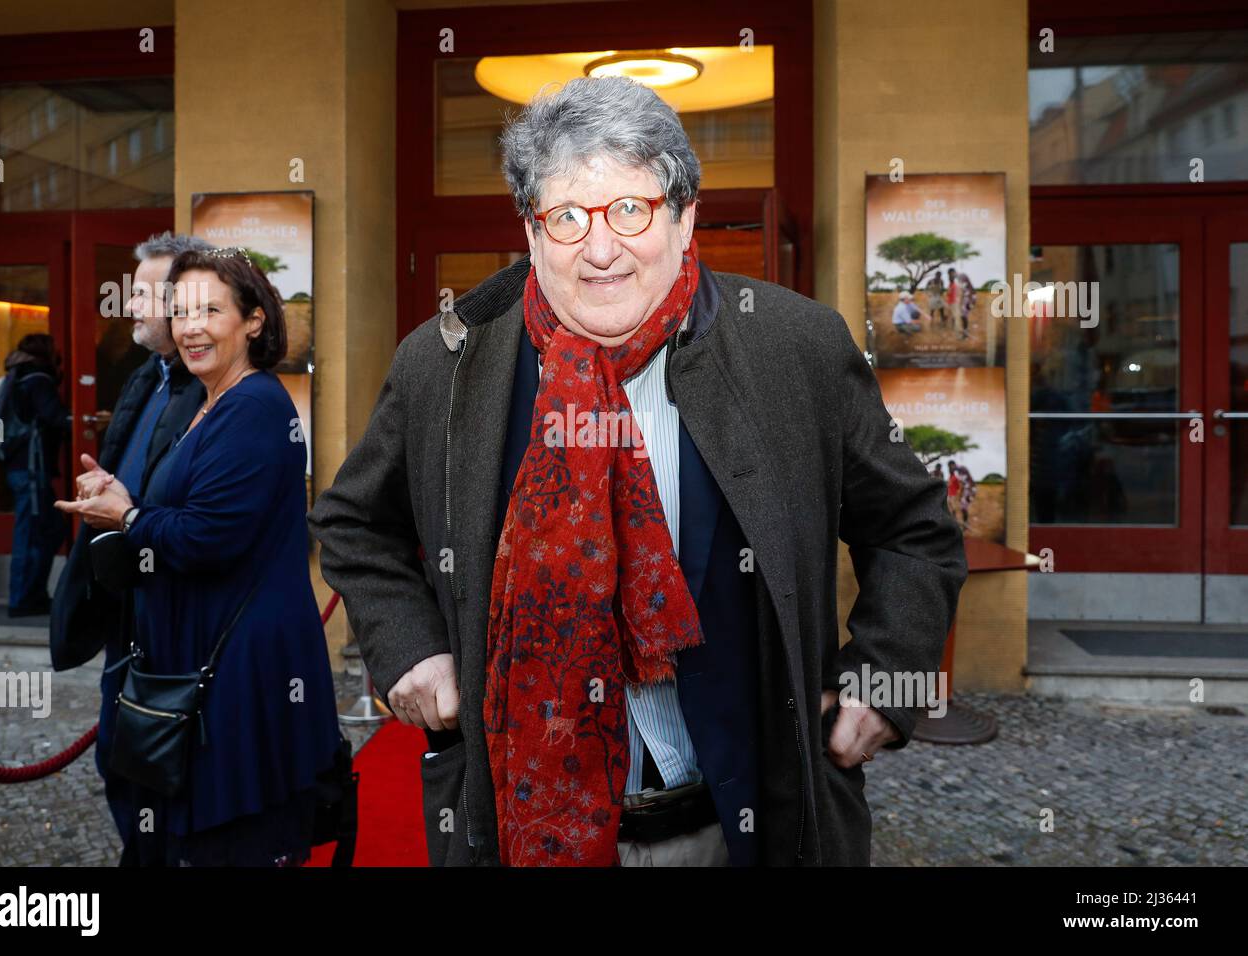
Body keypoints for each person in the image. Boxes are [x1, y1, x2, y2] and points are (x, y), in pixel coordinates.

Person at [309, 76, 965, 868]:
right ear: (530, 230)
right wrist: (409, 645)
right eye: (566, 217)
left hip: (742, 824)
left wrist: (882, 679)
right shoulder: (444, 363)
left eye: (631, 209)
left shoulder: (796, 349)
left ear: (685, 217)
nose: (600, 248)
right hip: (520, 824)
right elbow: (354, 523)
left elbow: (915, 530)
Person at [57, 247, 341, 866]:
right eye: (180, 311)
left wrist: (127, 517)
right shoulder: (211, 401)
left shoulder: (255, 406)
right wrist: (124, 495)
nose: (190, 326)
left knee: (232, 840)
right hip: (201, 657)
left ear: (254, 320)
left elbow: (206, 537)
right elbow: (190, 510)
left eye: (210, 310)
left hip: (240, 673)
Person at [49, 231, 211, 864]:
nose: (131, 304)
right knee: (120, 761)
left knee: (158, 773)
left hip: (172, 623)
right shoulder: (149, 376)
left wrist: (131, 509)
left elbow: (199, 518)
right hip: (126, 612)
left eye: (147, 292)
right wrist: (111, 492)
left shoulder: (217, 393)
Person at [0, 334, 70, 617]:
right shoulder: (38, 379)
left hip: (18, 466)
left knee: (45, 530)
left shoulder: (15, 376)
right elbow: (55, 417)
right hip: (31, 467)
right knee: (32, 533)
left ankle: (32, 594)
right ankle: (22, 599)